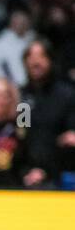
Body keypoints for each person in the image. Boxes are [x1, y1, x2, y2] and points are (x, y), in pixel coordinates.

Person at [17, 38, 75, 188]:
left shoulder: (66, 95)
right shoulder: (24, 97)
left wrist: (48, 170)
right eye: (31, 57)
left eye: (41, 56)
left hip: (62, 173)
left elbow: (69, 137)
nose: (36, 62)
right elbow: (23, 133)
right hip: (30, 174)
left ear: (50, 60)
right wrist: (28, 170)